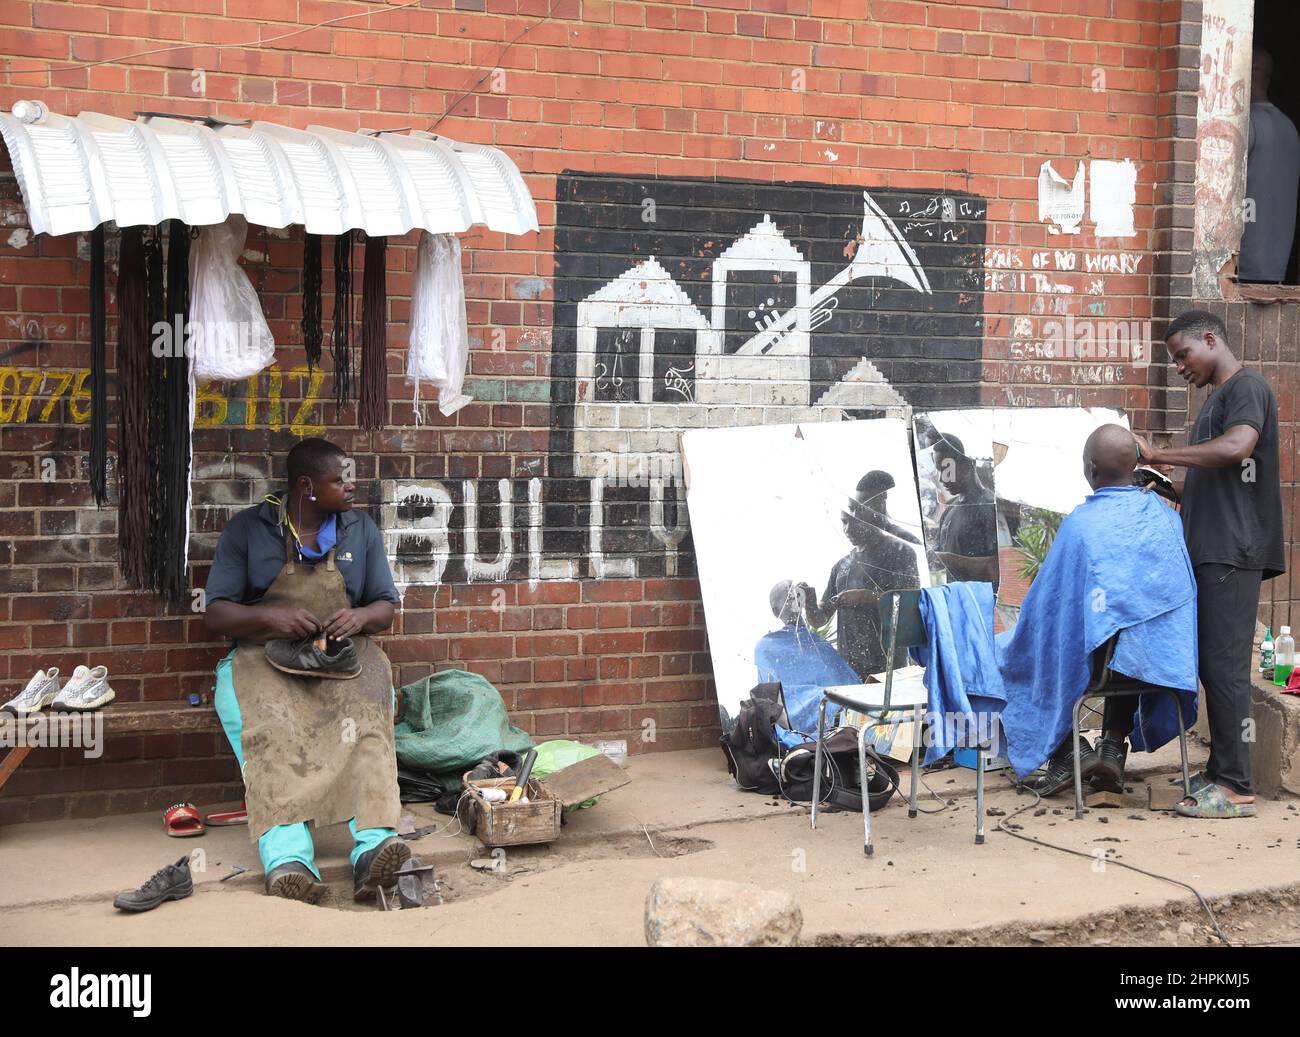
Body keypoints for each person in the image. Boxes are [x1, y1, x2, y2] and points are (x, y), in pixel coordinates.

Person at [204, 438, 409, 899]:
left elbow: (385, 609)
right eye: (340, 479)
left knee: (370, 715)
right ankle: (289, 858)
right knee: (267, 727)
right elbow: (215, 614)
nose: (352, 485)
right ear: (306, 486)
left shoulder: (360, 529)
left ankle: (374, 847)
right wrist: (268, 618)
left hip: (342, 655)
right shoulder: (248, 530)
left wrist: (358, 617)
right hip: (265, 659)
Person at [1134, 310, 1284, 819]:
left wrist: (1161, 451)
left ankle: (1237, 786)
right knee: (1210, 666)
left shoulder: (1247, 387)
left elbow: (1238, 447)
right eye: (1173, 359)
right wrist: (1161, 481)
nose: (1179, 366)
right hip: (1210, 548)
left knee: (1224, 668)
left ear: (1211, 339)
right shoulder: (1215, 403)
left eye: (1183, 355)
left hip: (1232, 551)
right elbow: (1208, 482)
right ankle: (1220, 770)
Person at [1003, 424, 1199, 795]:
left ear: (1092, 468)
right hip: (1160, 665)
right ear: (1135, 465)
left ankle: (1069, 754)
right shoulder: (1167, 520)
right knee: (1124, 635)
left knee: (1018, 655)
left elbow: (1043, 613)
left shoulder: (1081, 526)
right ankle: (1111, 747)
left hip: (1101, 668)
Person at [798, 471, 921, 680]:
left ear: (876, 510)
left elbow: (913, 612)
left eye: (855, 517)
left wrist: (867, 597)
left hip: (890, 672)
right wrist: (809, 601)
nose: (847, 528)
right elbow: (820, 619)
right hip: (849, 673)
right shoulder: (841, 566)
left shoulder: (900, 552)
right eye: (843, 521)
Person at [754, 580, 861, 747]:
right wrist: (819, 697)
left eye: (795, 594)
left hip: (838, 712)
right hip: (802, 716)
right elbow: (774, 696)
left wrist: (811, 603)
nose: (792, 600)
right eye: (787, 596)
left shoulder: (817, 643)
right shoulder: (765, 647)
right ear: (776, 611)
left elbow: (850, 685)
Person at [1238, 48, 1300, 284]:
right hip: (1278, 268)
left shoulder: (1247, 125)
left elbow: (1239, 200)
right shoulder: (1290, 129)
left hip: (1243, 268)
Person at [931, 433, 999, 583]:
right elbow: (936, 554)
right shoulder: (950, 509)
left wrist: (947, 559)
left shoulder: (991, 508)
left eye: (947, 469)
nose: (942, 478)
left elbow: (997, 568)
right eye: (939, 470)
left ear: (967, 464)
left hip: (981, 604)